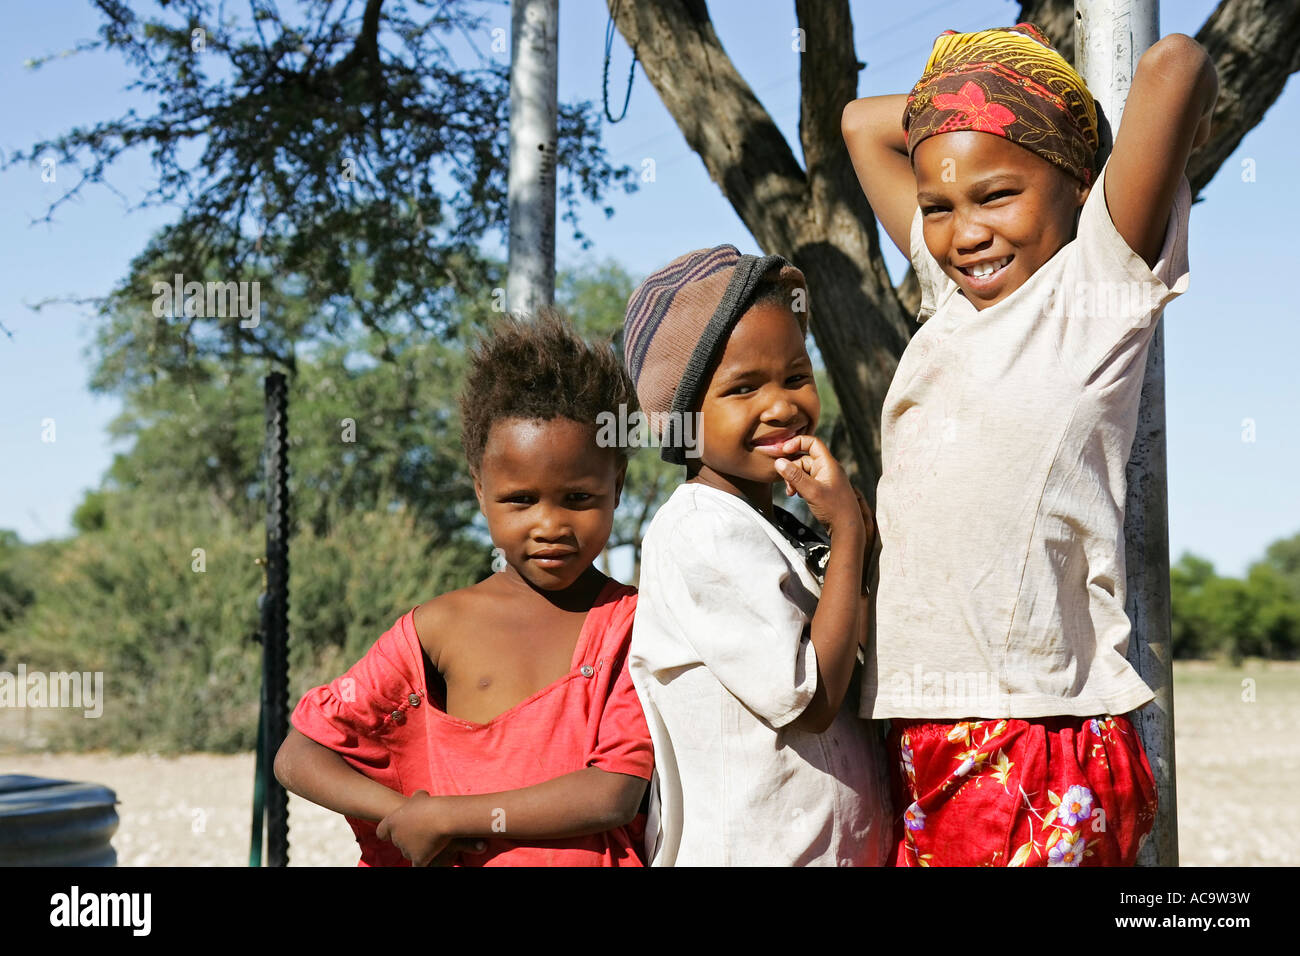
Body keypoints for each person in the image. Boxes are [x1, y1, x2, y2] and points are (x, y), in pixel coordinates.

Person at [841, 23, 1218, 866]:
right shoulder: (953, 294)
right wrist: (973, 94)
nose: (963, 230)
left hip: (1033, 728)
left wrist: (1020, 98)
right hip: (922, 725)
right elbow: (860, 123)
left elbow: (1174, 64)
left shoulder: (1096, 285)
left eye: (996, 195)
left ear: (1080, 187)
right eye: (937, 206)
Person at [274, 310, 653, 866]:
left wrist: (450, 816)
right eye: (520, 500)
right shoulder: (438, 628)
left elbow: (612, 793)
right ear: (481, 490)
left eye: (578, 498)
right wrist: (405, 815)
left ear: (615, 487)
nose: (550, 525)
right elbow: (299, 755)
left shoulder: (634, 625)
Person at [622, 245, 893, 866]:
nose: (781, 406)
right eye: (743, 388)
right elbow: (815, 700)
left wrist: (855, 553)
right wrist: (848, 535)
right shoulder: (698, 529)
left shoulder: (774, 524)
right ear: (684, 418)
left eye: (796, 377)